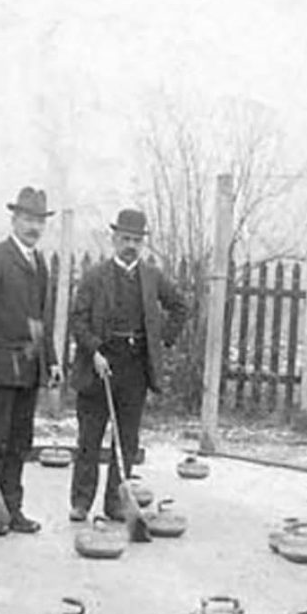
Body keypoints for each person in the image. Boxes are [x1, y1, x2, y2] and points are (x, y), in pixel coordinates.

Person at [68, 208, 187, 522]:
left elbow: (179, 306)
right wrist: (93, 350)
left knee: (127, 439)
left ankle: (115, 501)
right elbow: (77, 319)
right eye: (125, 239)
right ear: (114, 239)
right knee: (89, 439)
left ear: (142, 242)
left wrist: (163, 340)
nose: (130, 245)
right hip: (100, 364)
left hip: (135, 366)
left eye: (136, 240)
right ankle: (81, 502)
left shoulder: (151, 276)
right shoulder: (95, 276)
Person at [0, 187, 62, 534]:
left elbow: (41, 320)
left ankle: (12, 509)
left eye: (39, 220)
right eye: (27, 219)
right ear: (14, 220)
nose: (33, 227)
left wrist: (50, 360)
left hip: (29, 367)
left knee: (21, 442)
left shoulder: (39, 265)